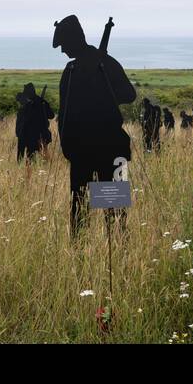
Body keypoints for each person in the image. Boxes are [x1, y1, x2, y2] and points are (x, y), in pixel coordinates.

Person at [53, 15, 136, 233]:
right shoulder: (72, 70)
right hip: (86, 150)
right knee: (80, 207)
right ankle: (82, 255)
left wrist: (105, 90)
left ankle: (117, 253)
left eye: (64, 44)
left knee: (113, 208)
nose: (63, 51)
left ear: (74, 39)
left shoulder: (98, 65)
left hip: (99, 148)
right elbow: (63, 114)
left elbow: (128, 95)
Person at [16, 83, 54, 160]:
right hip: (42, 135)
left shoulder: (28, 106)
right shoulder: (42, 102)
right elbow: (51, 115)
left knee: (31, 160)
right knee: (42, 158)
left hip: (32, 137)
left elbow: (25, 122)